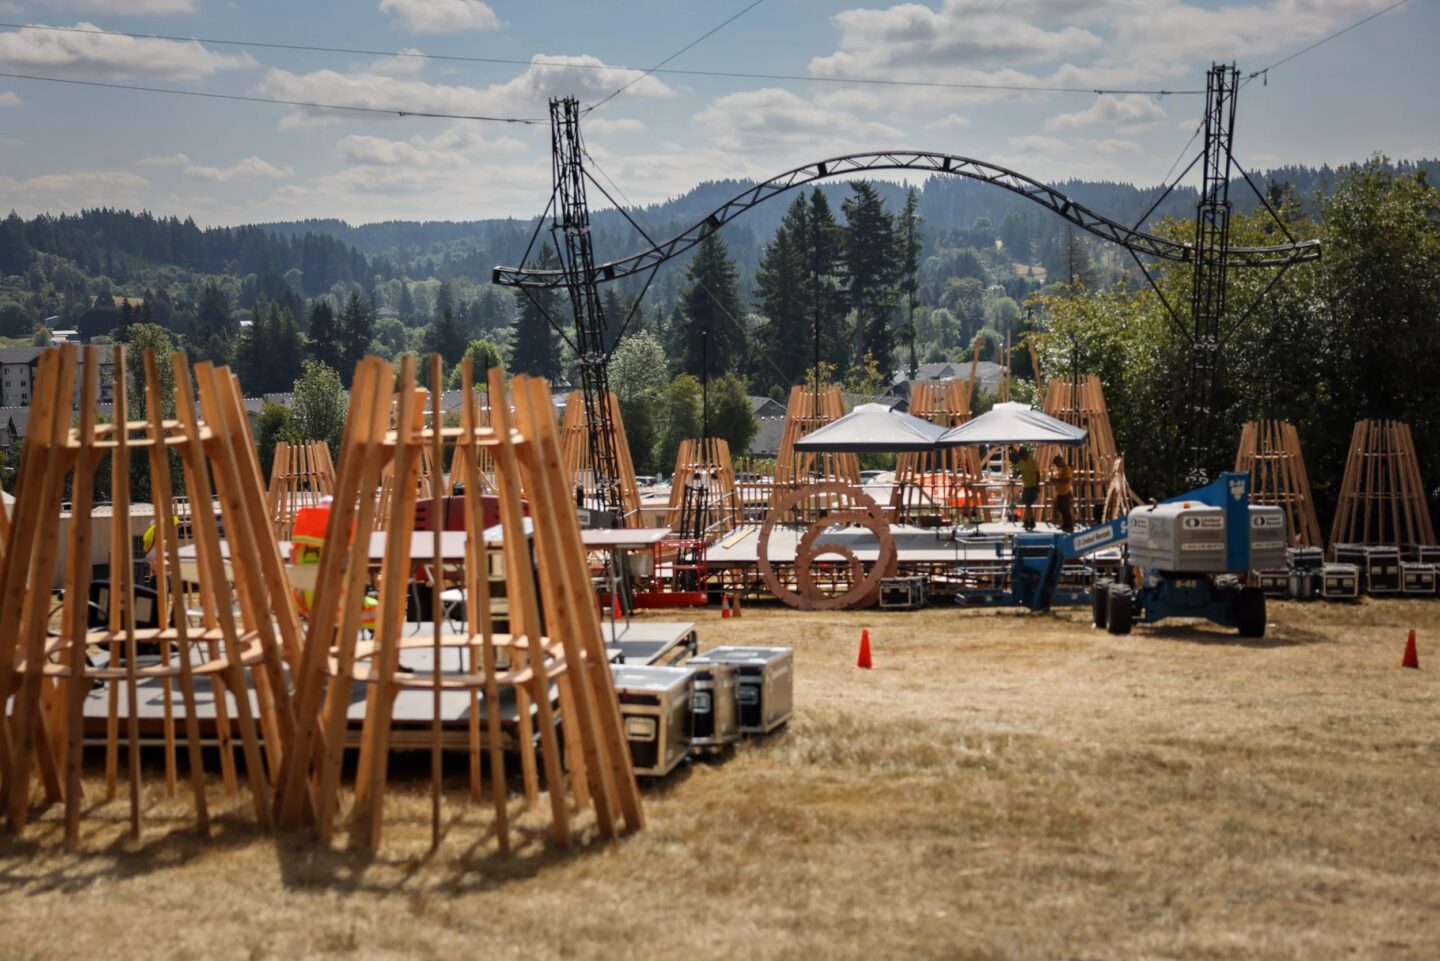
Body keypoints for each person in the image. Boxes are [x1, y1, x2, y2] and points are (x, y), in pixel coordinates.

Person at [1013, 447, 1040, 531]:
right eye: (1020, 455)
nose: (1021, 457)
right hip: (1025, 486)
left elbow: (1038, 474)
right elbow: (1021, 471)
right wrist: (1017, 473)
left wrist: (1037, 485)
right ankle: (1030, 521)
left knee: (1028, 505)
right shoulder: (1021, 462)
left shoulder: (1032, 462)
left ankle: (1028, 521)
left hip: (1032, 486)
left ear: (1026, 454)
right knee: (1027, 505)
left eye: (1022, 455)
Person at [1050, 455, 1075, 533]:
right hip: (1062, 492)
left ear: (1061, 461)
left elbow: (1066, 481)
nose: (1056, 465)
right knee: (1062, 509)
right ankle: (1065, 524)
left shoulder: (1066, 469)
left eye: (1057, 463)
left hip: (1065, 492)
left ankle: (1069, 525)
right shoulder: (1063, 469)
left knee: (1065, 509)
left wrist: (1056, 480)